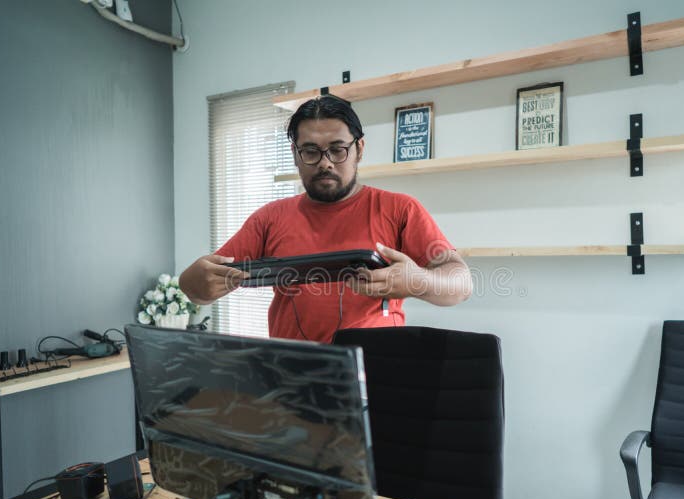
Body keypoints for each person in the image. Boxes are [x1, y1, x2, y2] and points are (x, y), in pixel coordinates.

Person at [180, 95, 471, 343]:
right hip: (291, 383)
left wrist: (418, 280)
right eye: (311, 151)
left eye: (337, 149)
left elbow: (461, 283)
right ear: (295, 155)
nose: (325, 163)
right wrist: (196, 282)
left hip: (379, 381)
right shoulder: (269, 218)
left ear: (359, 149)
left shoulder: (400, 209)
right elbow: (197, 289)